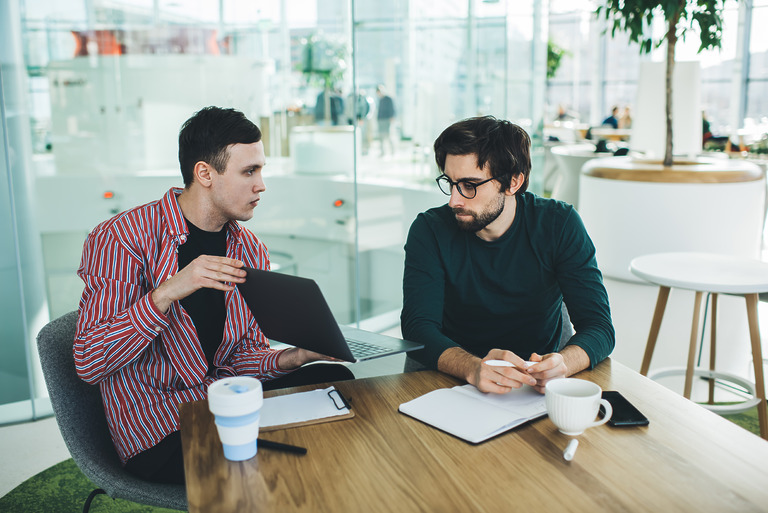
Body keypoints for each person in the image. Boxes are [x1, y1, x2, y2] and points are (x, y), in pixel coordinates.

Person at [74, 106, 351, 484]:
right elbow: (90, 361)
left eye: (261, 170)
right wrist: (168, 292)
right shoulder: (121, 238)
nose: (261, 185)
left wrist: (292, 357)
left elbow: (241, 357)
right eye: (248, 171)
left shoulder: (249, 248)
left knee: (334, 378)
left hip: (230, 402)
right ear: (204, 173)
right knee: (283, 469)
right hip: (163, 427)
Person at [400, 116, 615, 395]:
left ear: (513, 182)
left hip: (534, 381)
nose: (454, 200)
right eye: (451, 183)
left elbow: (599, 327)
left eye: (470, 185)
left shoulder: (558, 224)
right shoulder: (429, 230)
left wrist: (563, 362)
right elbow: (418, 328)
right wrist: (472, 367)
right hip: (453, 376)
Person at [375, 85, 396, 156]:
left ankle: (393, 151)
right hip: (380, 120)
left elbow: (392, 109)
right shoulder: (380, 100)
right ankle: (382, 152)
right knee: (381, 137)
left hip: (387, 120)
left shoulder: (388, 99)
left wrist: (392, 117)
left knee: (389, 136)